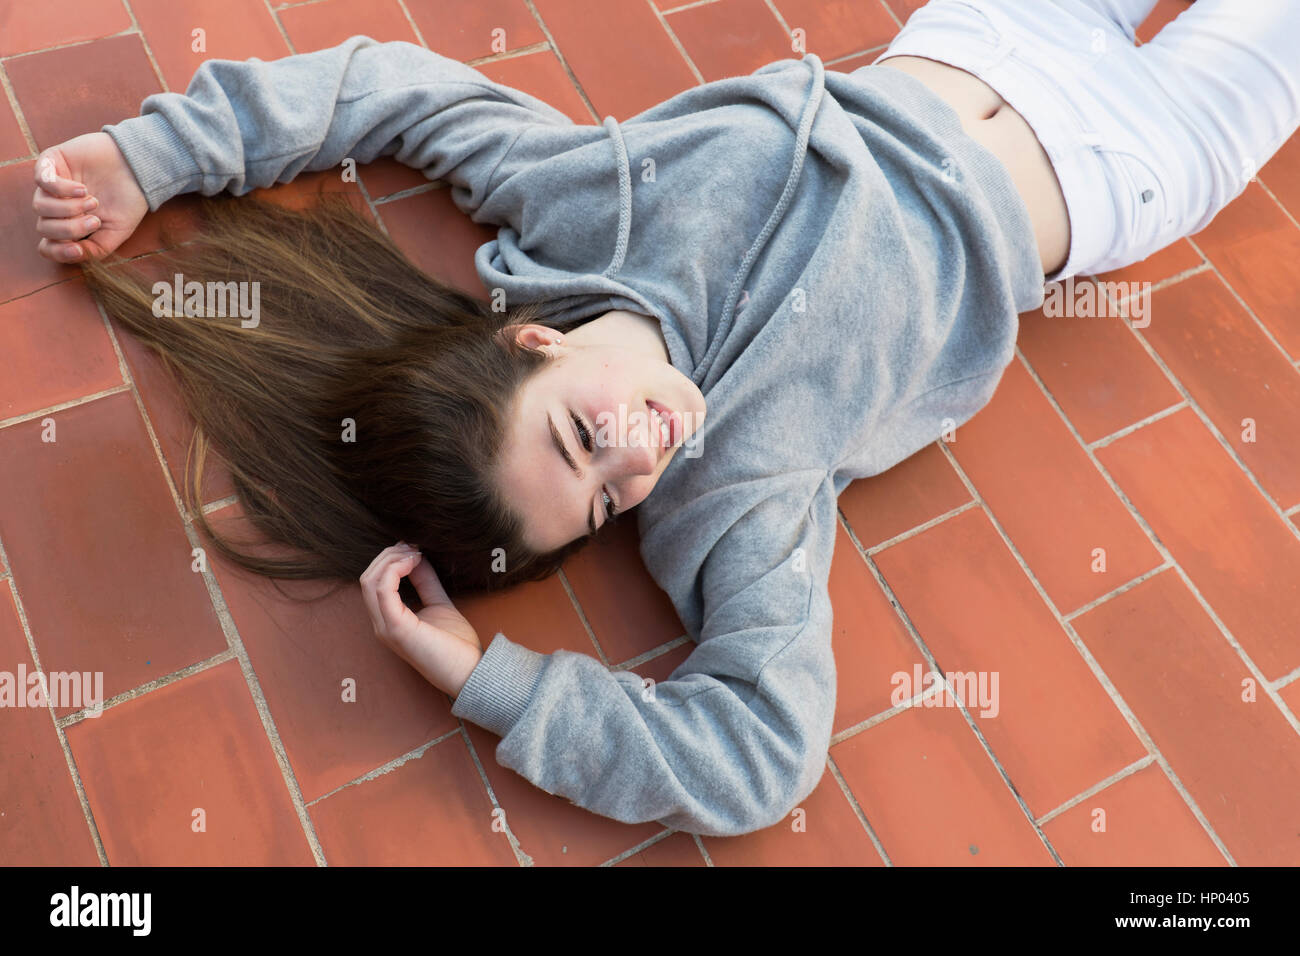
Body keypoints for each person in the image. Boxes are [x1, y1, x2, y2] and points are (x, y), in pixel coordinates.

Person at [30, 0, 1300, 836]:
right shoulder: (738, 497)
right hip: (1132, 159)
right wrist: (497, 683)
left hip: (986, 32)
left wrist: (156, 156)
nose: (640, 458)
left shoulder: (573, 204)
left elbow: (386, 89)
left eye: (585, 437)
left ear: (533, 339)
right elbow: (763, 749)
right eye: (600, 504)